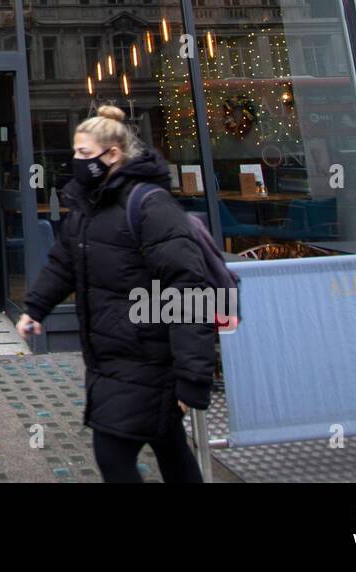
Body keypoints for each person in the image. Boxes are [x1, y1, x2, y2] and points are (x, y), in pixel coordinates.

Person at [16, 104, 216, 483]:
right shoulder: (87, 205)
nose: (75, 160)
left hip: (146, 354)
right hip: (112, 353)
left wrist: (193, 377)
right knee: (169, 445)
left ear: (113, 155)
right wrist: (35, 308)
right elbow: (63, 264)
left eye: (84, 153)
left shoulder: (150, 205)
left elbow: (189, 289)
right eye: (75, 152)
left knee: (113, 453)